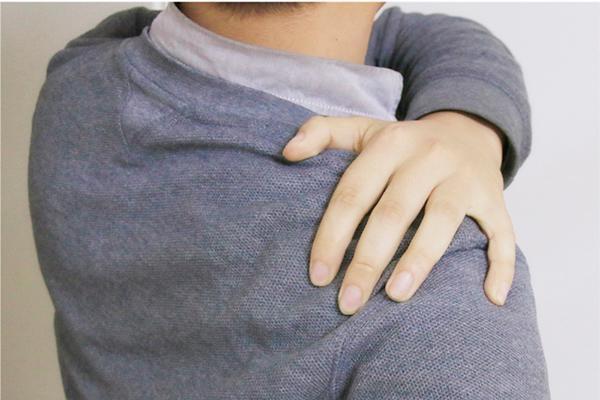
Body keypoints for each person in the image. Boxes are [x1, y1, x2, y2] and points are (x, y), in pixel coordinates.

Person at [29, 2, 550, 399]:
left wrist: (463, 122)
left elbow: (413, 36)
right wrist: (471, 127)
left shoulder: (81, 87)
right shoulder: (437, 276)